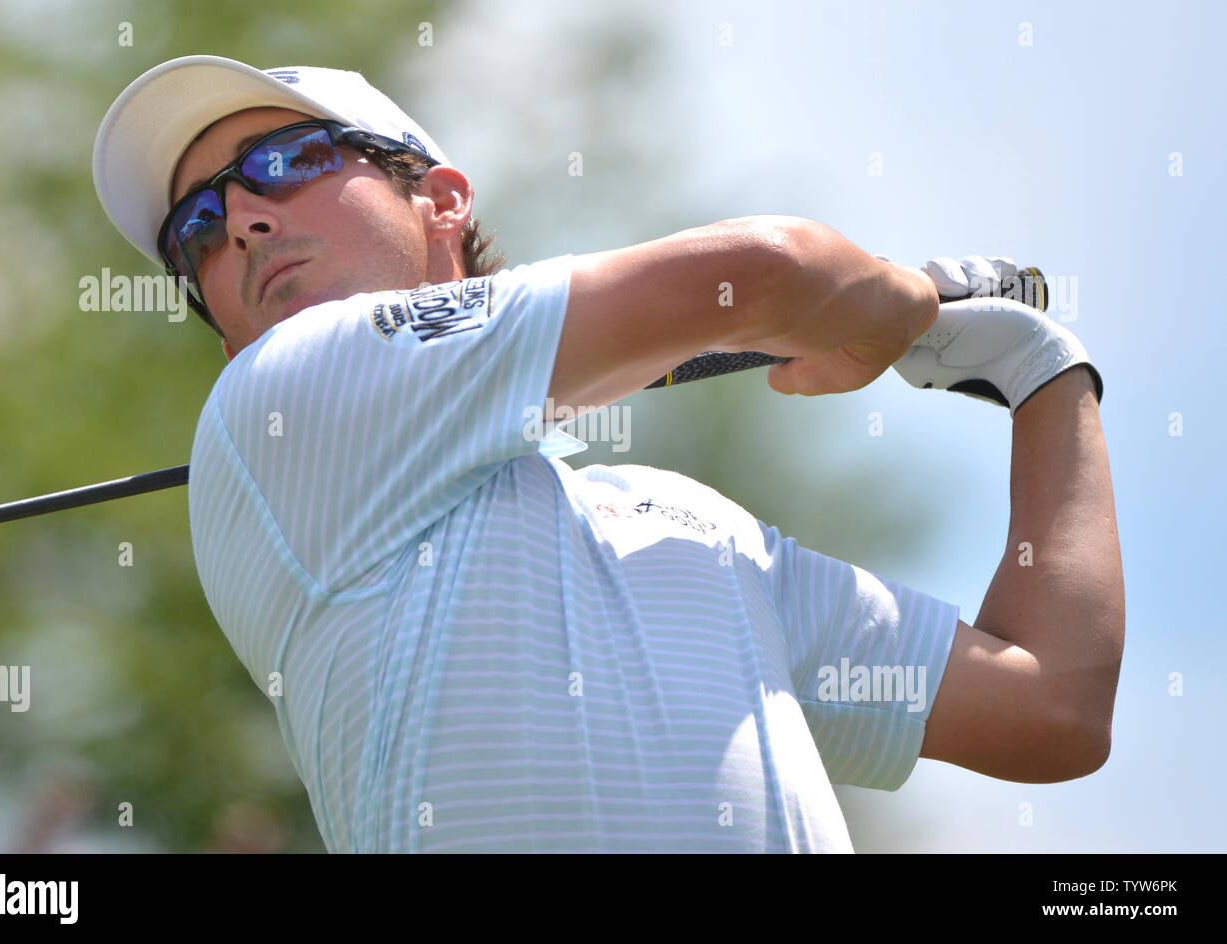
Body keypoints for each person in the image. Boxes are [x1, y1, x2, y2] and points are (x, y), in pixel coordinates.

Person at [92, 55, 1123, 853]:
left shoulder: (688, 524)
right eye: (196, 230)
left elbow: (1049, 707)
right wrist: (890, 306)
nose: (241, 219)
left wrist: (1046, 380)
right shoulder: (277, 401)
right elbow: (762, 273)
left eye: (287, 159)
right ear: (223, 330)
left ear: (440, 197)